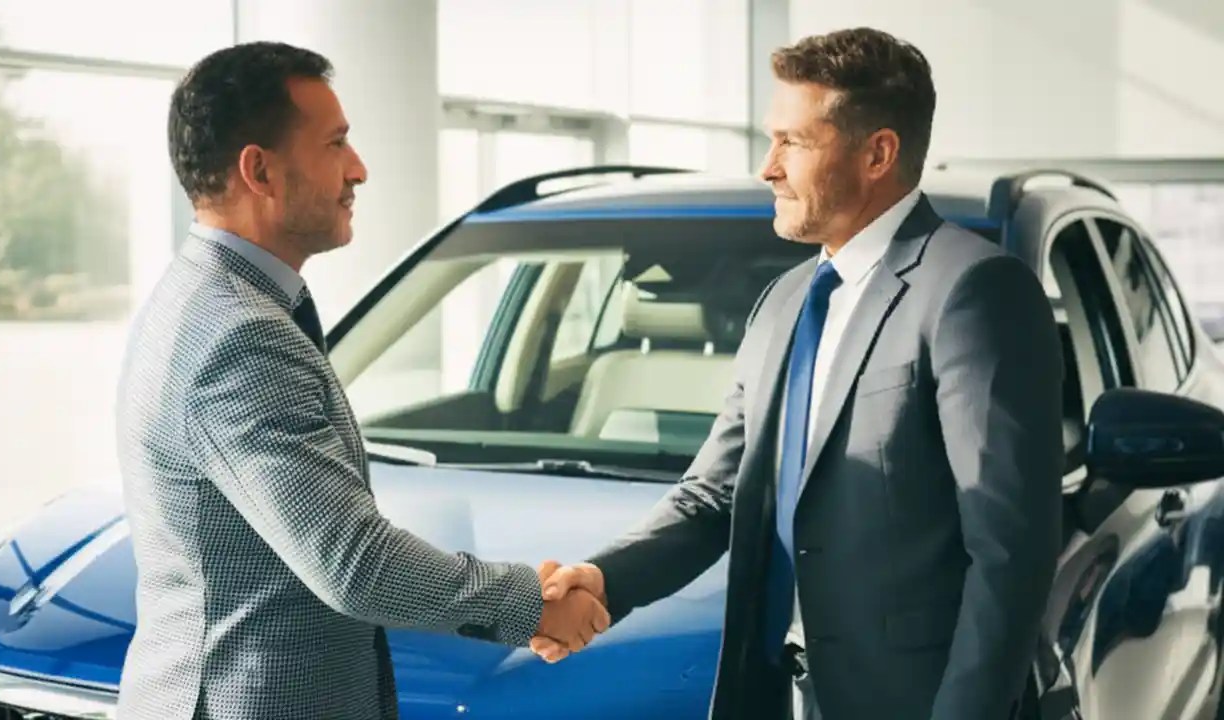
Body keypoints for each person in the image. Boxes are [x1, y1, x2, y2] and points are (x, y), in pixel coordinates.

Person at [534, 27, 1063, 720]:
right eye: (770, 138)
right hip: (776, 694)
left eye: (794, 142)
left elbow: (1008, 552)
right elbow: (715, 496)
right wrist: (605, 579)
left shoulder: (974, 289)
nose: (768, 167)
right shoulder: (785, 301)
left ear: (878, 153)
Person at [115, 42, 607, 720]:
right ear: (259, 170)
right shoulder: (238, 333)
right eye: (336, 144)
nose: (359, 169)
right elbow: (353, 563)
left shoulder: (198, 296)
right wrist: (527, 603)